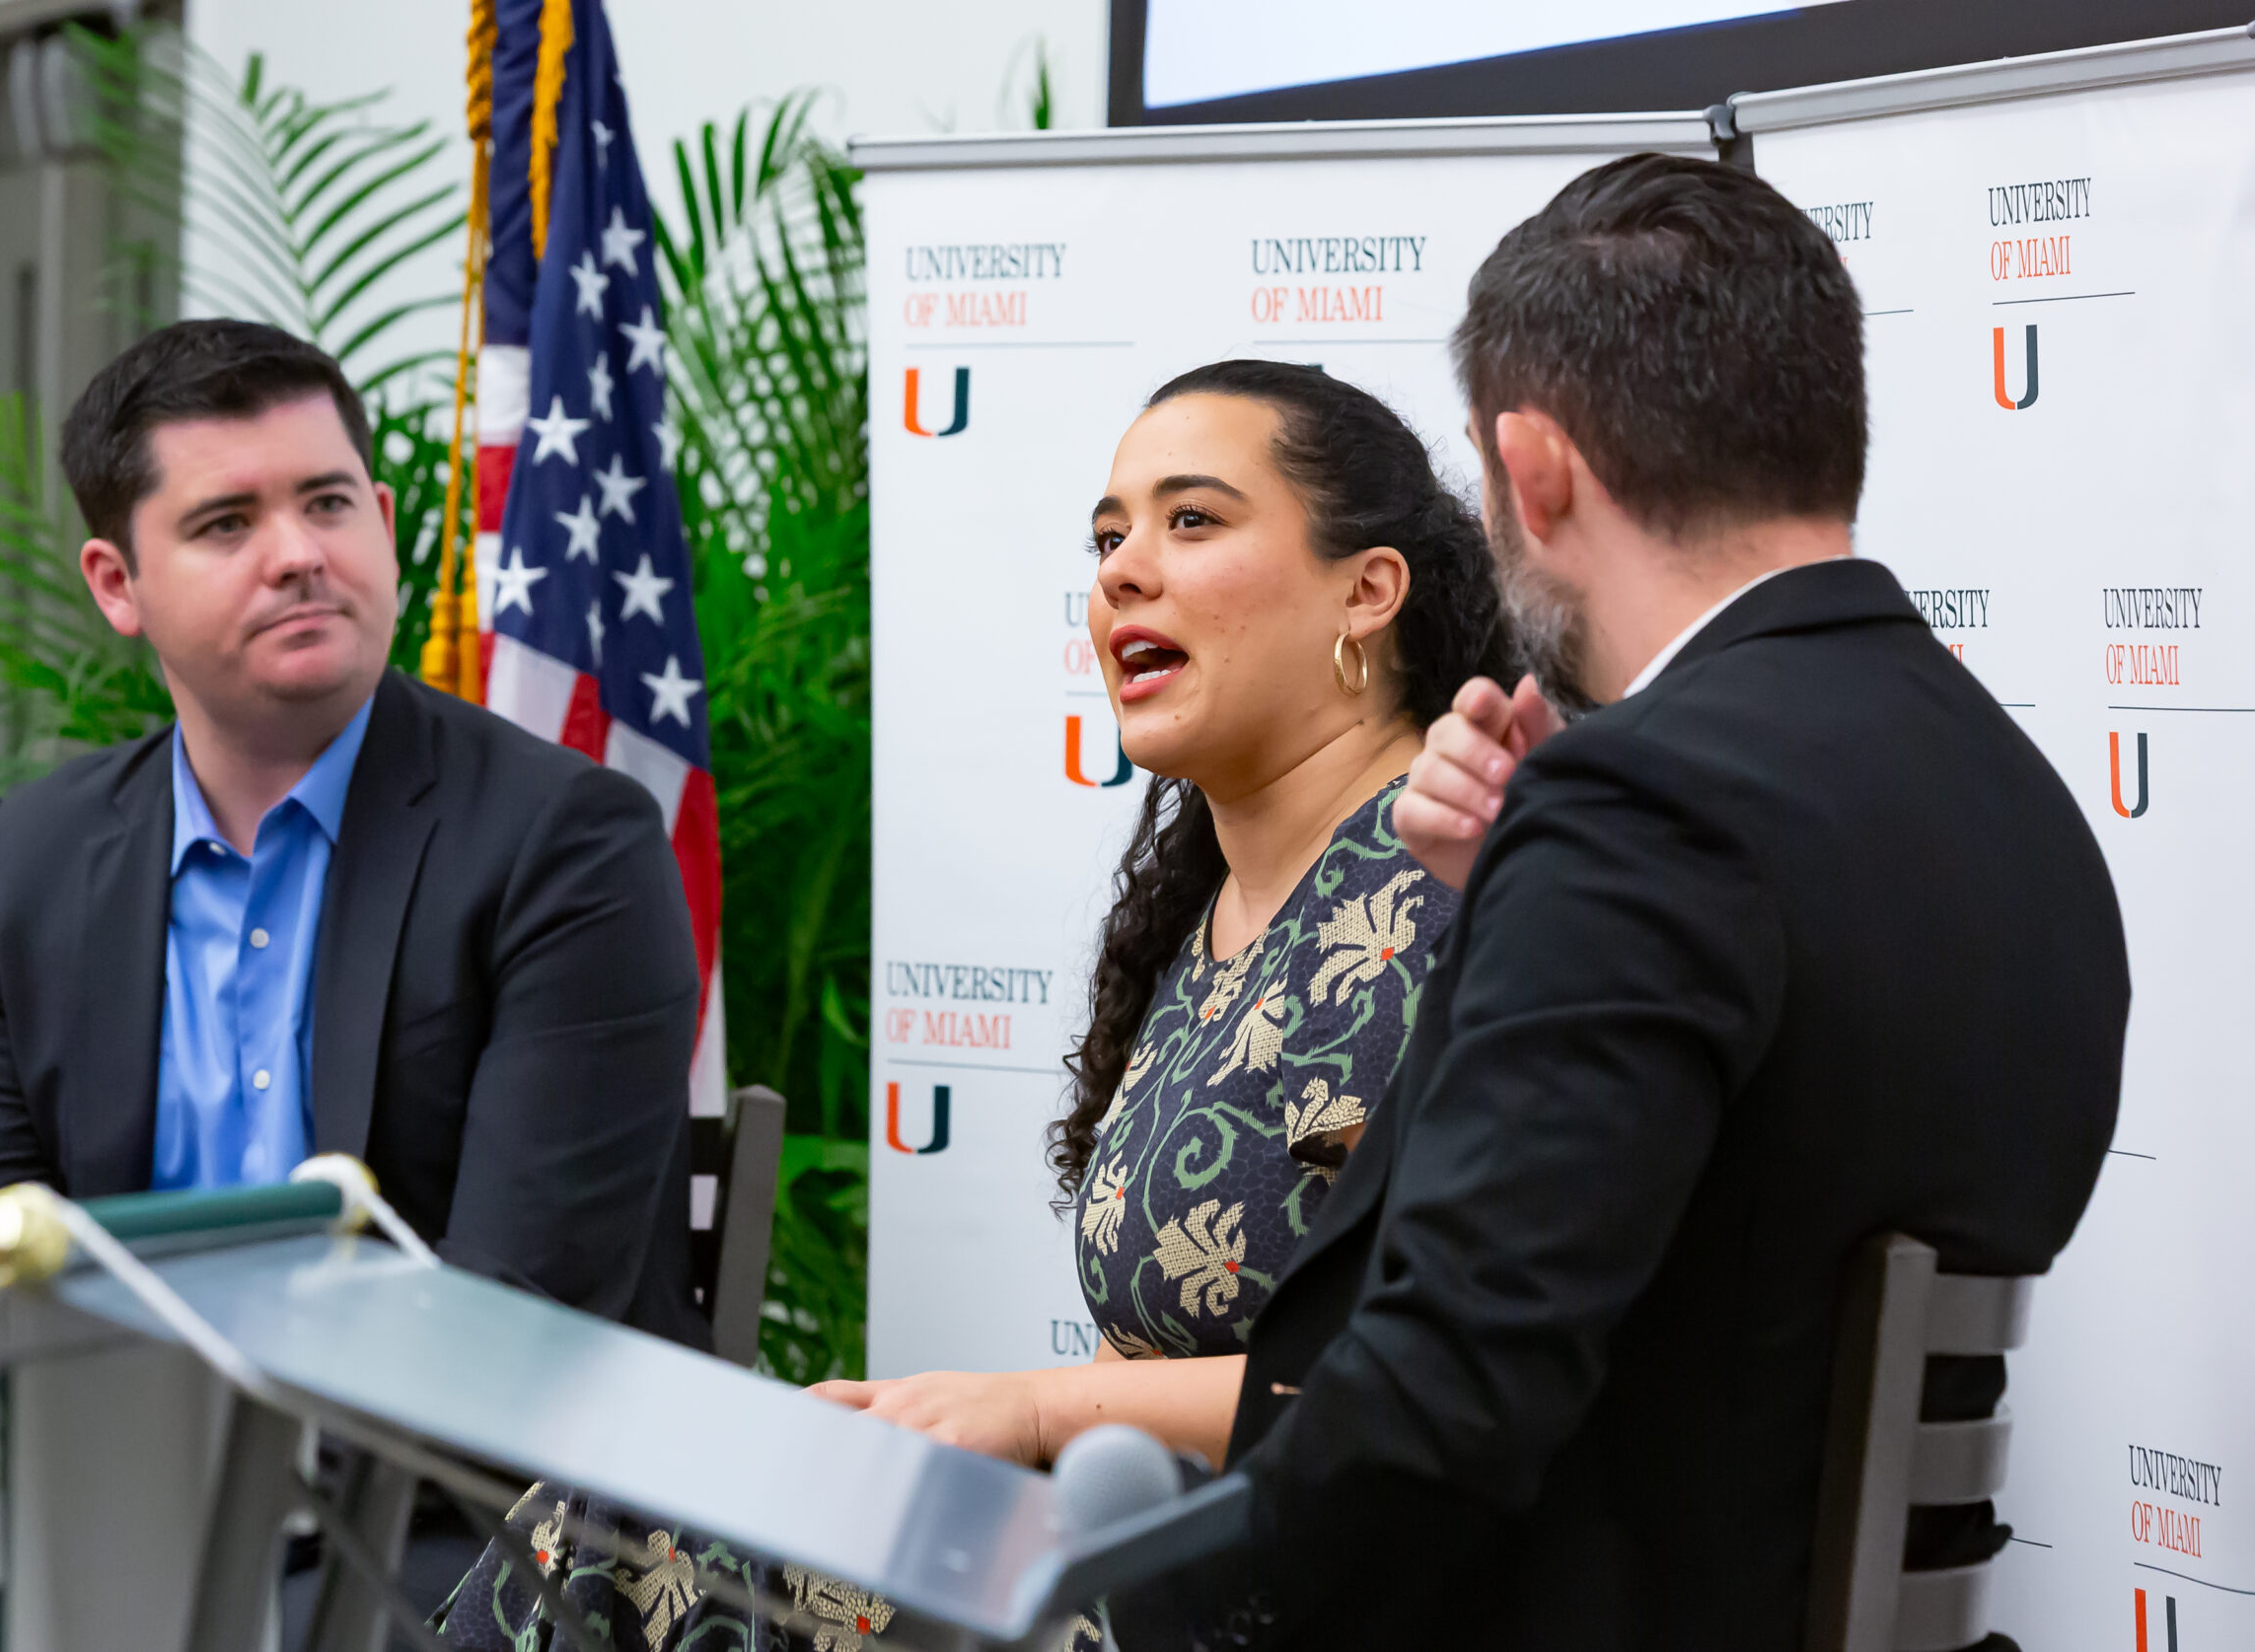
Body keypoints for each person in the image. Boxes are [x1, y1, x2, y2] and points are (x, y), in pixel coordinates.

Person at [1116, 154, 2129, 1651]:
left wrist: (1147, 1603)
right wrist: (1529, 895)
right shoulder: (2024, 807)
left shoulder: (1645, 815)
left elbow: (1436, 1415)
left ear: (1534, 470)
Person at [434, 360, 1515, 1650]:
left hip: (1317, 1595)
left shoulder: (1436, 887)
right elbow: (1155, 1362)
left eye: (1191, 520)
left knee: (624, 1522)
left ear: (1369, 590)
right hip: (1139, 1553)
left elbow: (1426, 1380)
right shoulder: (1217, 911)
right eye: (1107, 537)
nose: (1122, 571)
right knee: (634, 1489)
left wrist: (1033, 1414)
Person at [0, 319, 706, 1651]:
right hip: (84, 1501)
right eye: (227, 522)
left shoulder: (566, 845)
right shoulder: (31, 860)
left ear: (384, 525)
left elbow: (509, 1330)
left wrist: (196, 1499)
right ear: (116, 583)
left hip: (450, 1526)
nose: (297, 552)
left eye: (328, 502)